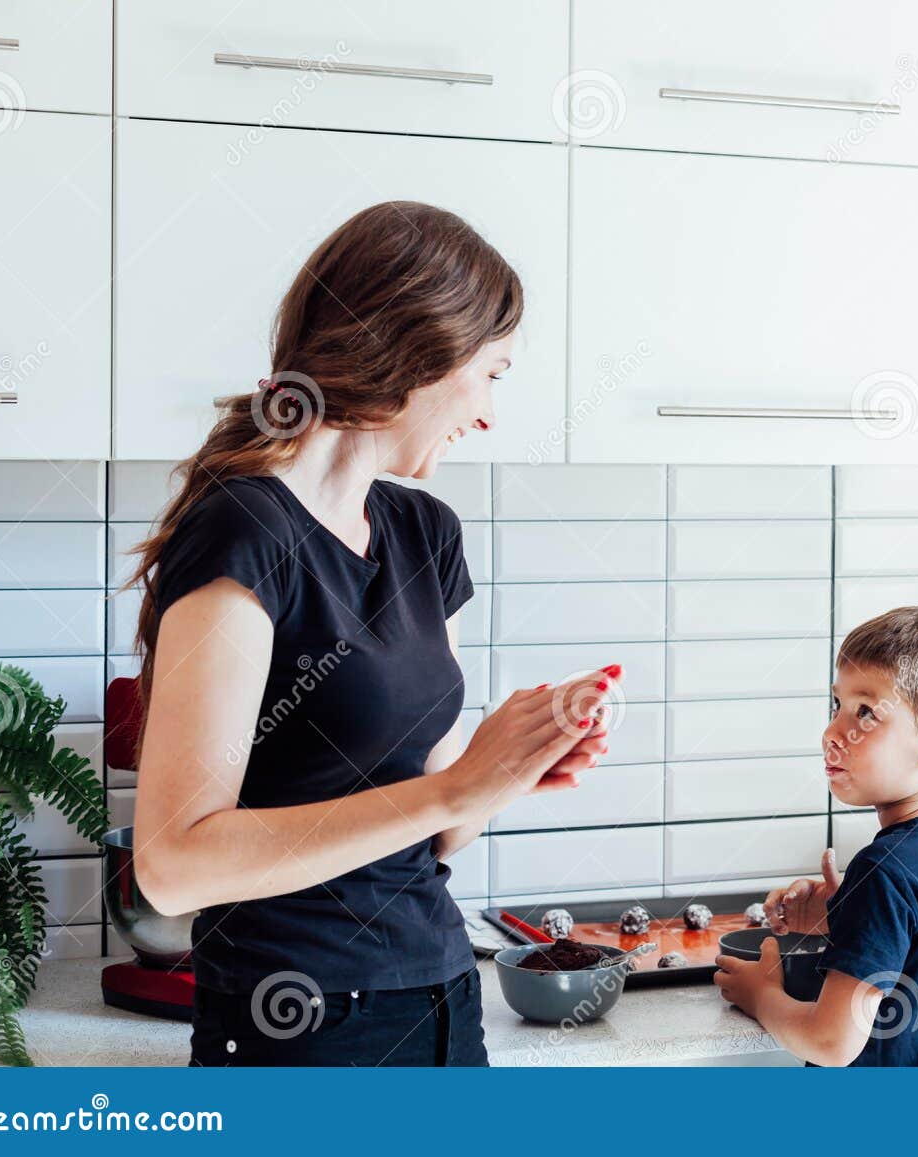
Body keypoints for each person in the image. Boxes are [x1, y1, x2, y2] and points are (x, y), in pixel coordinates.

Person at [128, 201, 616, 1066]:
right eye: (492, 373)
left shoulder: (424, 533)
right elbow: (173, 865)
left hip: (438, 998)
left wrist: (510, 766)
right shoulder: (245, 533)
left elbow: (434, 822)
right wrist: (458, 789)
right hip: (296, 1023)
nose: (491, 413)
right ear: (420, 351)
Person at [714, 605, 918, 1066]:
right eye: (838, 706)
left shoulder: (883, 872)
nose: (833, 733)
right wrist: (843, 916)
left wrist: (761, 996)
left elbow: (830, 1042)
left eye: (867, 713)